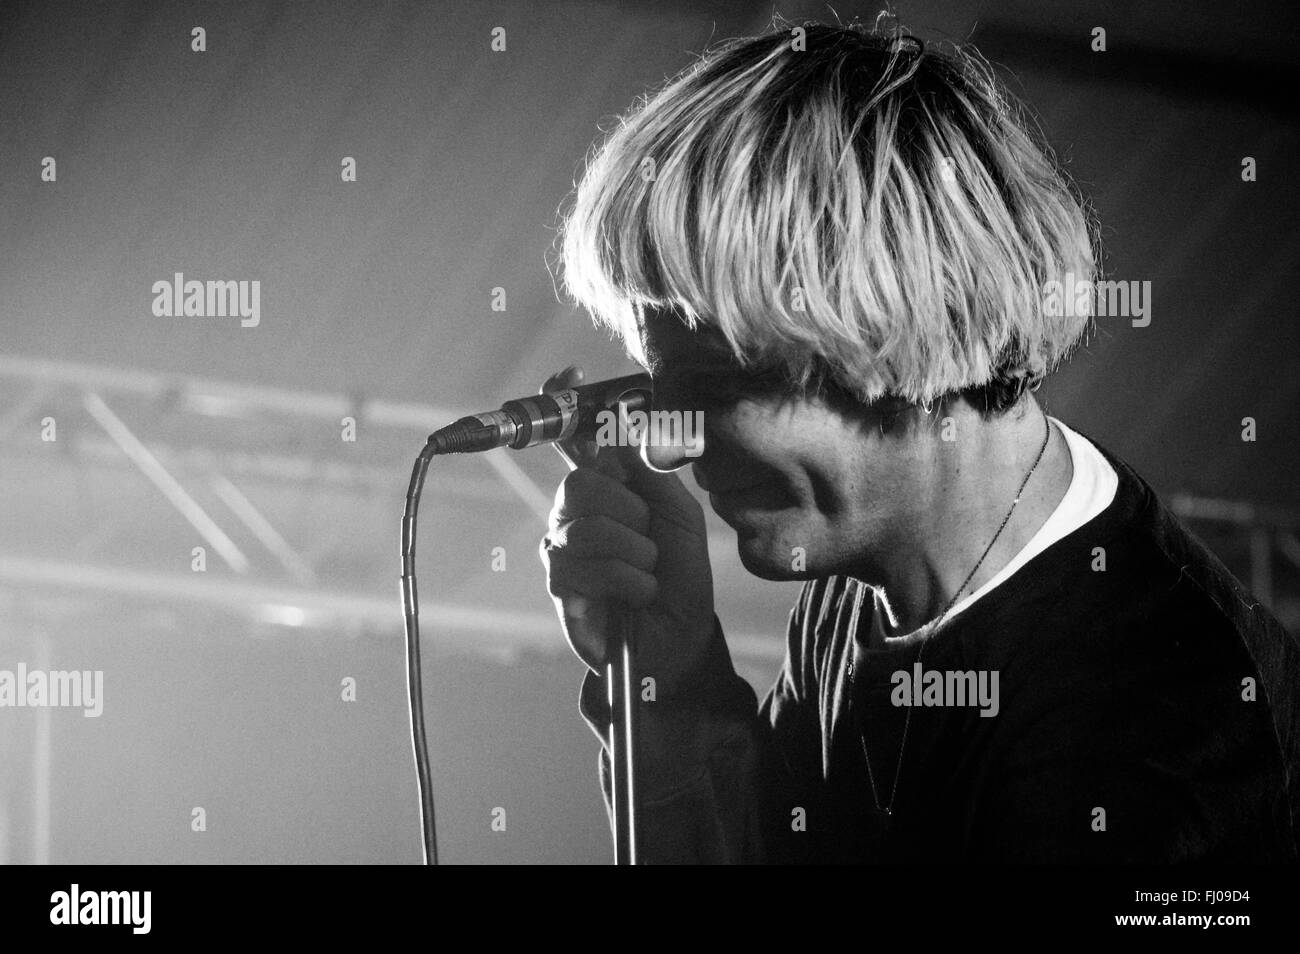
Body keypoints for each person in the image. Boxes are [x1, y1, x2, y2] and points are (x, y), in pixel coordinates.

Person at [537, 19, 1298, 863]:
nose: (671, 448)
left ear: (885, 326)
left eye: (714, 385)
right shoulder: (865, 572)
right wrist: (667, 677)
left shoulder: (1157, 741)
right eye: (662, 385)